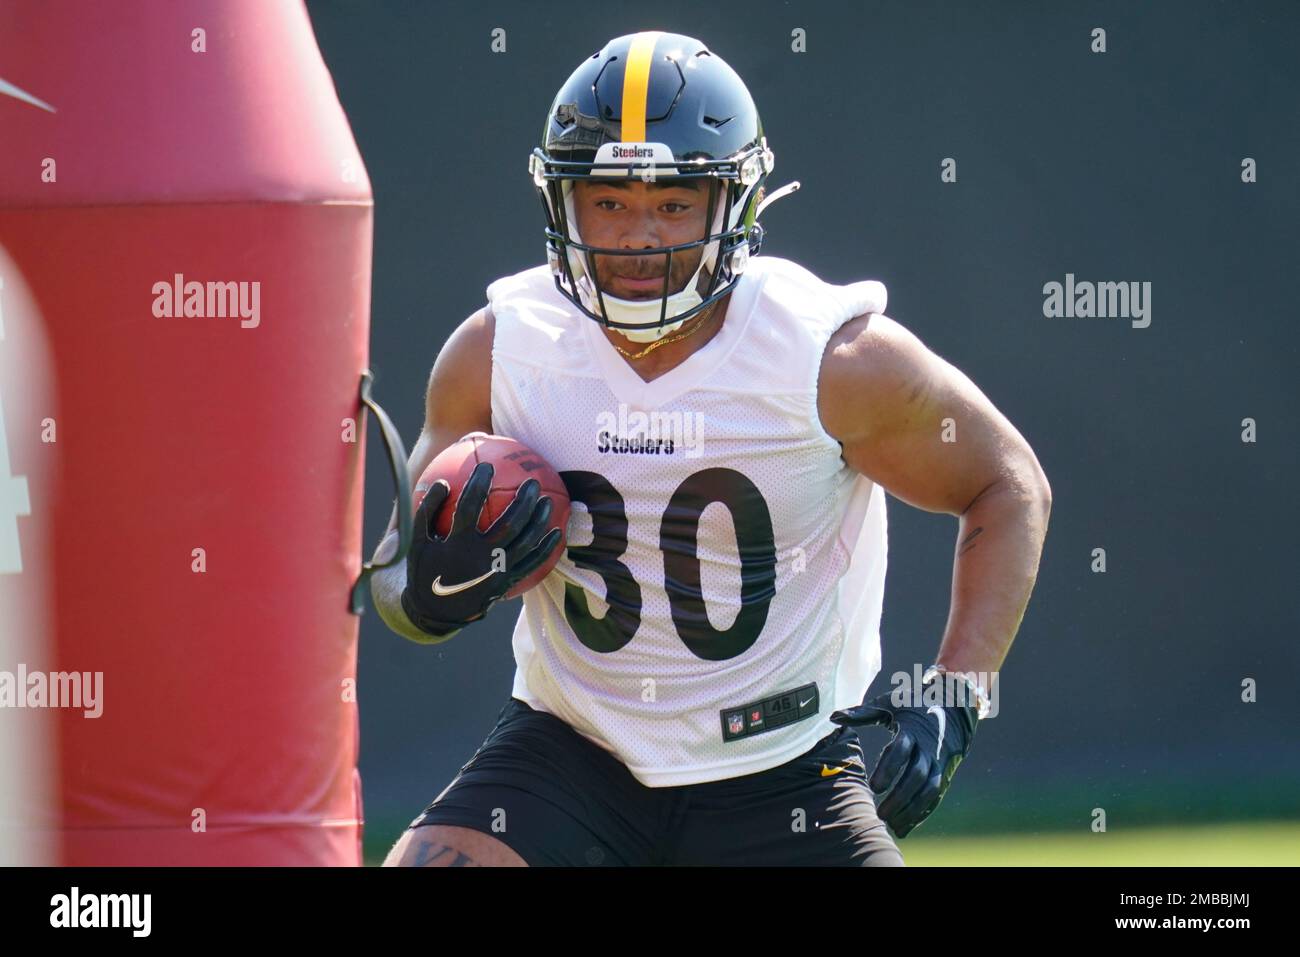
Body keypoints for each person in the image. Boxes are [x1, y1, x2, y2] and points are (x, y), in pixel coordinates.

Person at [370, 31, 1051, 866]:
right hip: (572, 751)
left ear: (734, 206)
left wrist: (957, 691)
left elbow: (1007, 483)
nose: (638, 238)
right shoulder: (502, 348)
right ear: (563, 204)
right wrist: (432, 595)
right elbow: (395, 576)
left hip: (784, 766)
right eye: (609, 202)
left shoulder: (827, 360)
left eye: (673, 203)